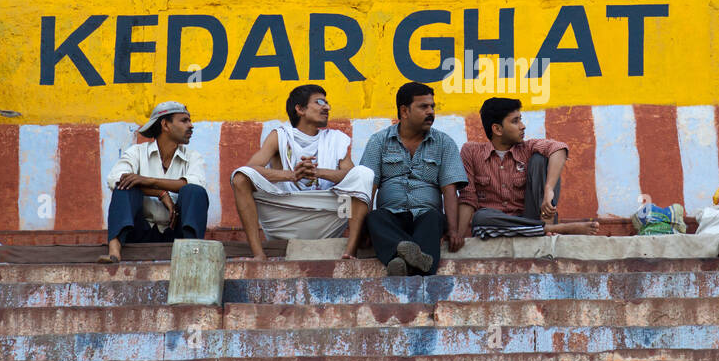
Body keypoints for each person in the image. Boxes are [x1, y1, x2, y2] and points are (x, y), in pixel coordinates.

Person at [230, 84, 373, 259]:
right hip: (285, 214)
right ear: (300, 109)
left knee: (364, 174)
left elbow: (352, 177)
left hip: (328, 215)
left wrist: (318, 172)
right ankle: (259, 254)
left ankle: (350, 252)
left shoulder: (336, 139)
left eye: (327, 103)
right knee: (240, 176)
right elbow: (251, 169)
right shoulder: (280, 136)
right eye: (320, 102)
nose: (327, 107)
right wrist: (292, 175)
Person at [359, 82, 467, 276]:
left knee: (434, 218)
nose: (431, 112)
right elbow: (368, 188)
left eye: (432, 106)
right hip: (390, 216)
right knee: (375, 218)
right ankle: (413, 257)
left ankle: (398, 259)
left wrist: (453, 230)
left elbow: (449, 191)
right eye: (423, 107)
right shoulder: (379, 141)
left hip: (426, 216)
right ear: (404, 111)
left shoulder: (444, 143)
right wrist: (363, 229)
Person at [457, 97, 600, 238]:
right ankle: (550, 229)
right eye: (515, 121)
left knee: (541, 158)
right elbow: (467, 198)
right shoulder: (471, 151)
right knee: (480, 219)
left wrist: (549, 189)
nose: (522, 126)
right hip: (494, 223)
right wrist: (458, 237)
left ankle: (545, 227)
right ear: (497, 129)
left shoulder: (527, 148)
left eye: (520, 119)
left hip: (532, 218)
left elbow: (559, 148)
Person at [101, 101, 209, 264]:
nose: (191, 125)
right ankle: (114, 252)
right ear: (165, 125)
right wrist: (159, 192)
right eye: (184, 121)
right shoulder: (137, 152)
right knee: (124, 187)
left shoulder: (193, 157)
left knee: (194, 191)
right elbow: (115, 179)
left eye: (189, 120)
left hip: (177, 233)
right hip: (140, 230)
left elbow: (195, 184)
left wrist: (150, 181)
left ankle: (193, 254)